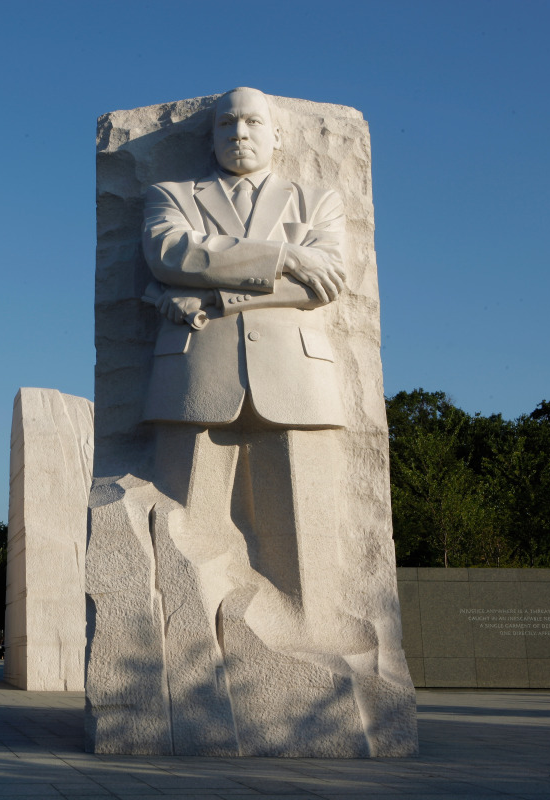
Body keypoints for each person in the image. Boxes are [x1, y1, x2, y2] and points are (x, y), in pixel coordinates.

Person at [140, 86, 369, 656]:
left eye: (251, 123)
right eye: (226, 125)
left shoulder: (318, 201)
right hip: (195, 377)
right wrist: (284, 256)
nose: (238, 134)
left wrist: (214, 298)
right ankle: (187, 656)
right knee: (183, 531)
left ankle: (316, 647)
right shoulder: (172, 195)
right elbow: (172, 254)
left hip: (296, 377)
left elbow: (326, 284)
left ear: (277, 134)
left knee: (307, 543)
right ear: (211, 135)